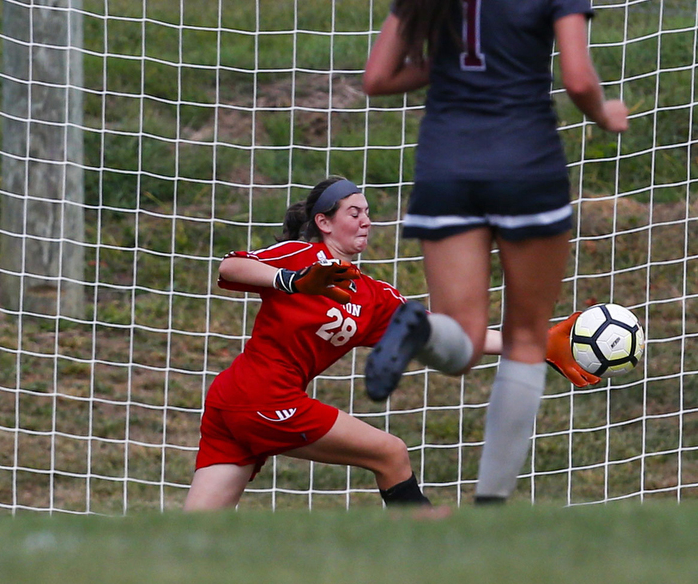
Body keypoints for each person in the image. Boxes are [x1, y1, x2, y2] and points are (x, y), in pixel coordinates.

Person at [361, 0, 627, 503]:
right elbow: (578, 79)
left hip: (447, 162)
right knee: (526, 338)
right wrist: (605, 113)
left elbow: (375, 78)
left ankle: (419, 326)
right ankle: (490, 504)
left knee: (460, 341)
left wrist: (440, 66)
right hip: (527, 163)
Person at [185, 177, 510, 511]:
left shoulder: (374, 296)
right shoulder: (302, 255)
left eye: (367, 213)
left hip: (244, 401)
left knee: (194, 534)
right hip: (261, 395)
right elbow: (231, 265)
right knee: (390, 453)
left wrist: (533, 344)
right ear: (324, 222)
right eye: (354, 213)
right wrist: (293, 281)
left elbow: (442, 332)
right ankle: (428, 548)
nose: (366, 221)